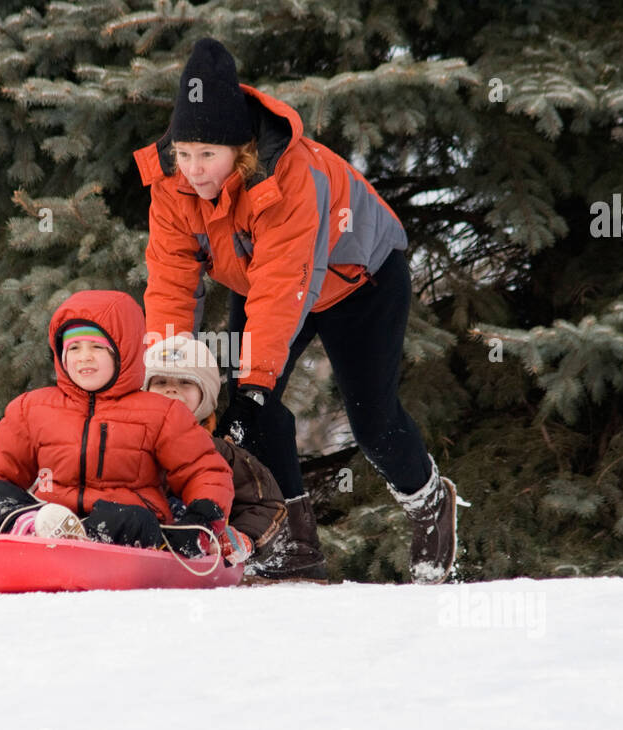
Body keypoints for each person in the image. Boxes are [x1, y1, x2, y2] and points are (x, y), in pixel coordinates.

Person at [134, 38, 461, 583]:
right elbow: (171, 281)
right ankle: (292, 543)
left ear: (239, 149)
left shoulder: (288, 177)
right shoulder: (172, 187)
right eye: (184, 153)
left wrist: (259, 382)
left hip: (360, 280)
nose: (193, 169)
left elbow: (286, 283)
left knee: (370, 419)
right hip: (265, 281)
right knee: (246, 405)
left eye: (207, 155)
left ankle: (428, 499)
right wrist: (163, 368)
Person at [0, 290, 233, 559]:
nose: (84, 356)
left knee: (133, 519)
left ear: (124, 351)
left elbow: (203, 469)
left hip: (118, 528)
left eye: (97, 347)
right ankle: (30, 530)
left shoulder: (160, 413)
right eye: (74, 348)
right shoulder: (34, 408)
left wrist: (203, 519)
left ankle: (83, 541)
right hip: (50, 517)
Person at [143, 335, 290, 573]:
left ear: (205, 395)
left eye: (185, 382)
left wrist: (245, 536)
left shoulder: (223, 453)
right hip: (137, 534)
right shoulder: (126, 443)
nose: (171, 389)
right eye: (160, 382)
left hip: (197, 543)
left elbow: (267, 504)